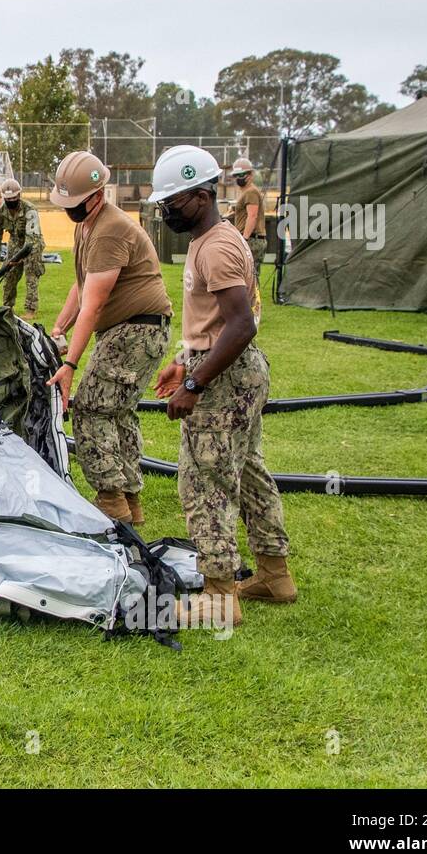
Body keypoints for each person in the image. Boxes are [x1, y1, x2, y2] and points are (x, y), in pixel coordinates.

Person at [149, 145, 295, 629]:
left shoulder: (217, 246)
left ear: (201, 194)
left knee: (204, 480)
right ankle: (274, 574)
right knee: (249, 469)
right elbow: (213, 323)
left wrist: (194, 381)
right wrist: (182, 360)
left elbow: (239, 326)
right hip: (230, 369)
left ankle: (218, 594)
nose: (166, 212)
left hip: (226, 378)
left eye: (172, 203)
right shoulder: (208, 238)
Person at [45, 151, 171, 526]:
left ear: (97, 196)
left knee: (91, 407)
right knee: (118, 412)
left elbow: (95, 305)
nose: (69, 210)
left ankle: (110, 499)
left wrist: (70, 365)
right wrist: (59, 327)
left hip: (135, 331)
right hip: (134, 330)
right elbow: (83, 285)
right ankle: (129, 502)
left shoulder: (111, 229)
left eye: (75, 203)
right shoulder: (88, 225)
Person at [0, 178, 45, 320]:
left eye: (13, 198)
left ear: (19, 196)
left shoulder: (30, 210)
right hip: (15, 242)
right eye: (8, 199)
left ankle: (30, 309)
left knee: (31, 274)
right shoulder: (1, 212)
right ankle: (8, 308)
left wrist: (19, 258)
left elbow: (31, 238)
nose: (11, 201)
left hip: (32, 244)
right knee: (8, 275)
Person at [229, 157, 268, 279]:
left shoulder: (250, 192)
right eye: (236, 175)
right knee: (246, 276)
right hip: (250, 239)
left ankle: (253, 299)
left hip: (251, 239)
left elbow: (252, 216)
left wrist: (244, 239)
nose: (238, 178)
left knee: (250, 278)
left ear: (250, 175)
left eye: (242, 174)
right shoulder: (246, 192)